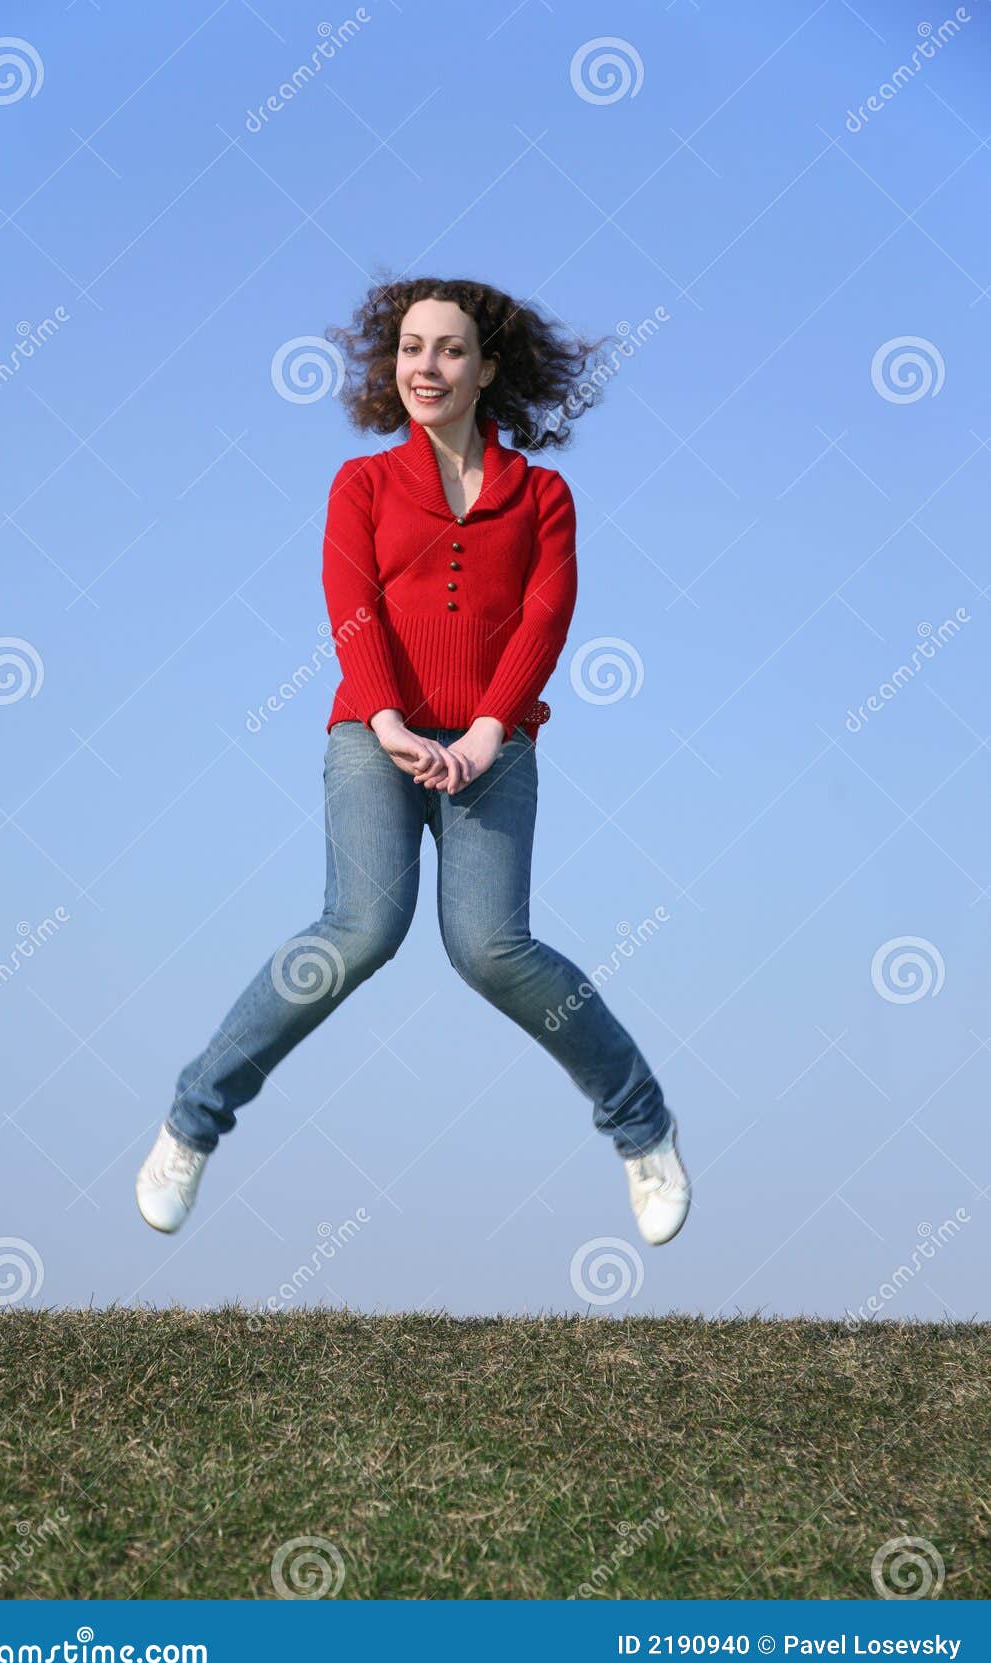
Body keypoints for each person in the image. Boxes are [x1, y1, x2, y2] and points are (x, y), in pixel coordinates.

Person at [135, 277, 690, 1249]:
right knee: (356, 931)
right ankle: (189, 1124)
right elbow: (347, 603)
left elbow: (544, 618)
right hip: (373, 737)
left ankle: (641, 1129)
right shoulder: (362, 485)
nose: (424, 366)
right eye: (409, 348)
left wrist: (485, 729)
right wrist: (389, 720)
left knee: (488, 949)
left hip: (493, 747)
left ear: (485, 369)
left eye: (447, 349)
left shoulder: (541, 496)